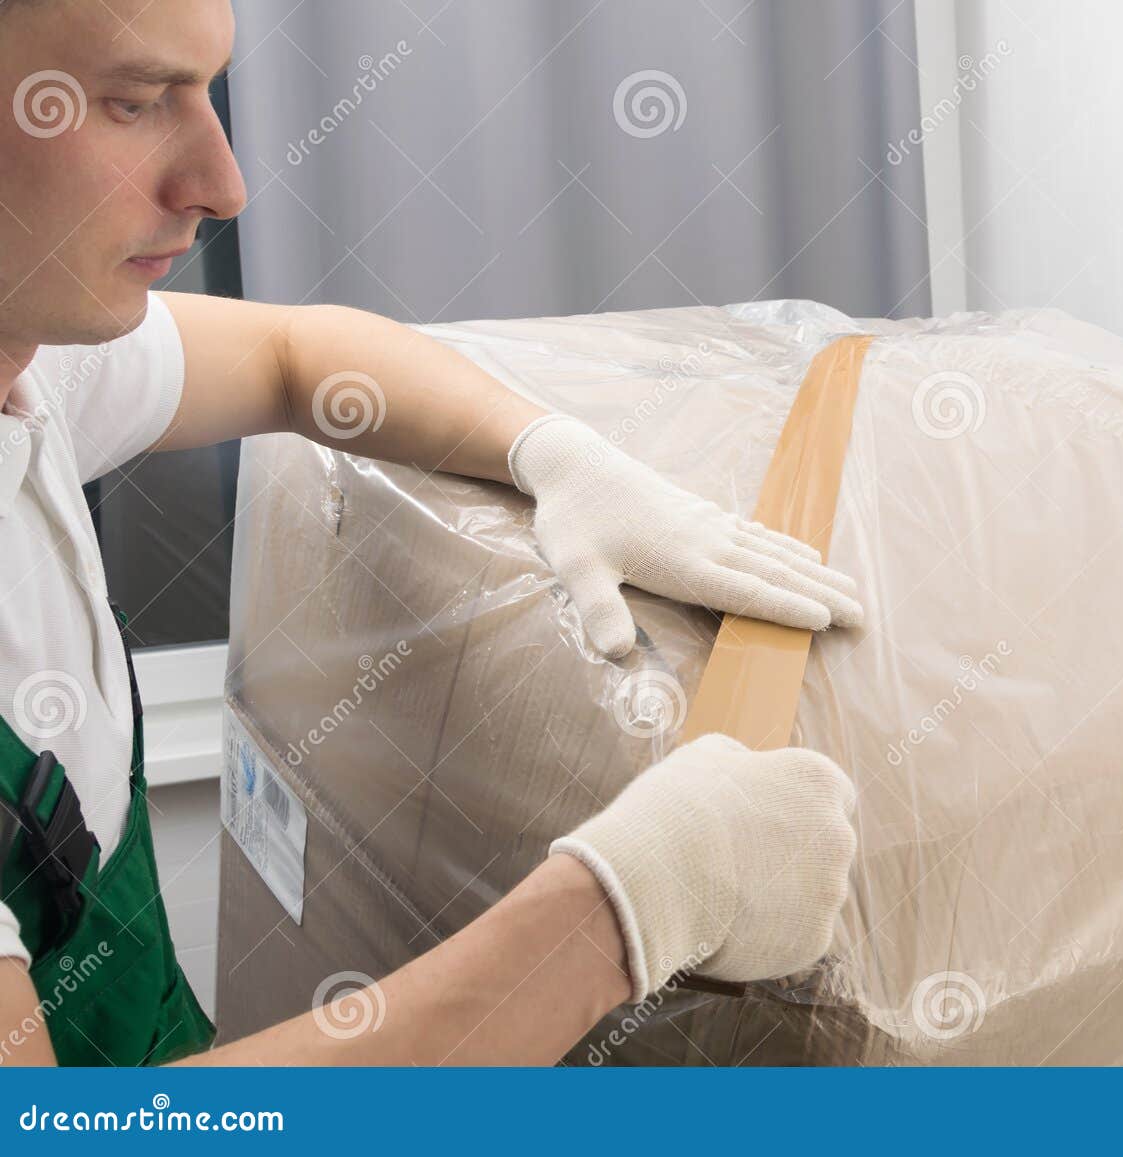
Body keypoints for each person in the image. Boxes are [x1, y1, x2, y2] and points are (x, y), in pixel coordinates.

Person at [0, 0, 860, 1066]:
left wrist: (553, 453)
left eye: (205, 93)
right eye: (132, 103)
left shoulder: (32, 364)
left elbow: (295, 356)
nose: (223, 186)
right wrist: (620, 911)